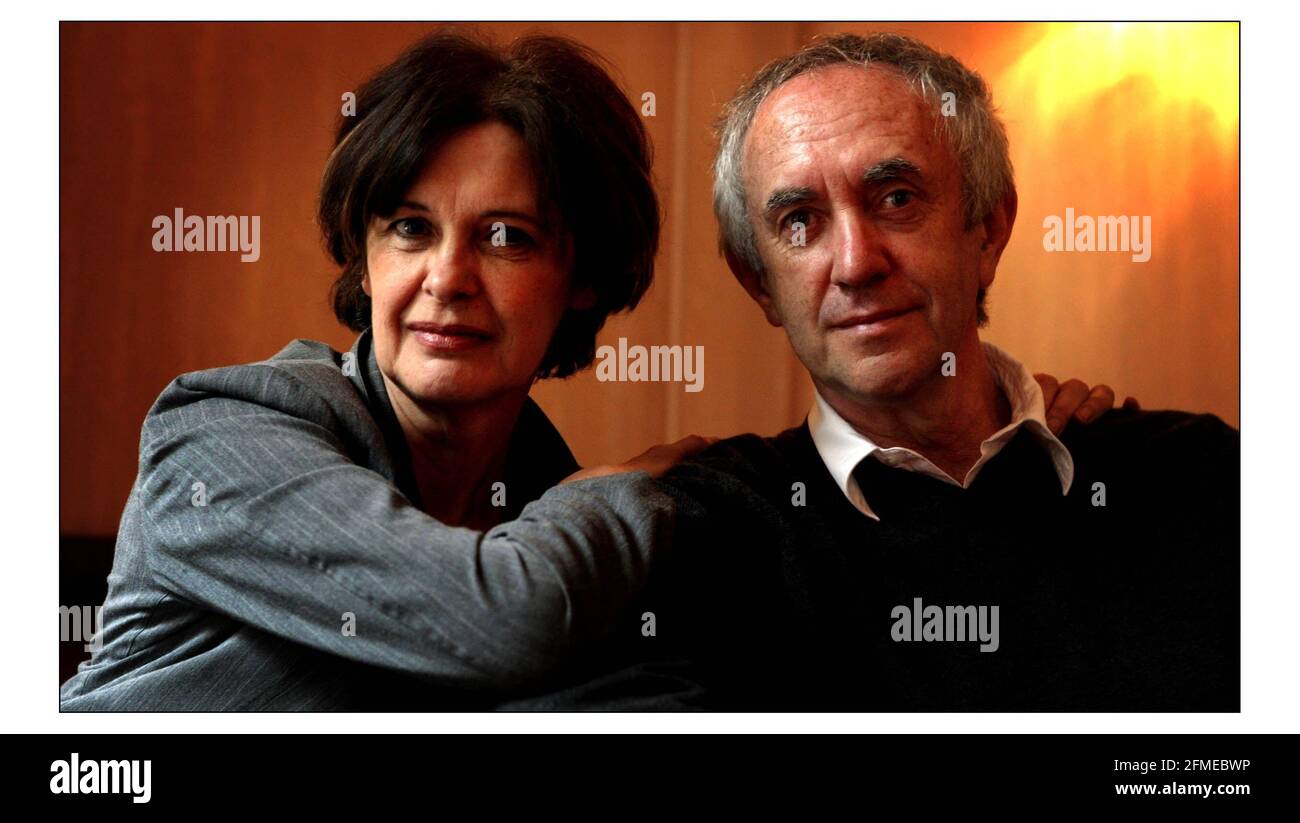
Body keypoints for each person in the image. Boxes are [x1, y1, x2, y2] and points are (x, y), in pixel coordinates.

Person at [60, 30, 1116, 711]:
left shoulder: (541, 492)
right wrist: (637, 481)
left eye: (508, 236)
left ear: (580, 275)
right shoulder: (225, 430)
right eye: (409, 230)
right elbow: (499, 619)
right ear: (365, 257)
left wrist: (1023, 456)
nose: (448, 280)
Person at [517, 32, 1238, 712]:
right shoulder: (692, 536)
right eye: (800, 220)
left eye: (896, 199)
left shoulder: (1203, 478)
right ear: (759, 283)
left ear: (986, 229)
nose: (858, 264)